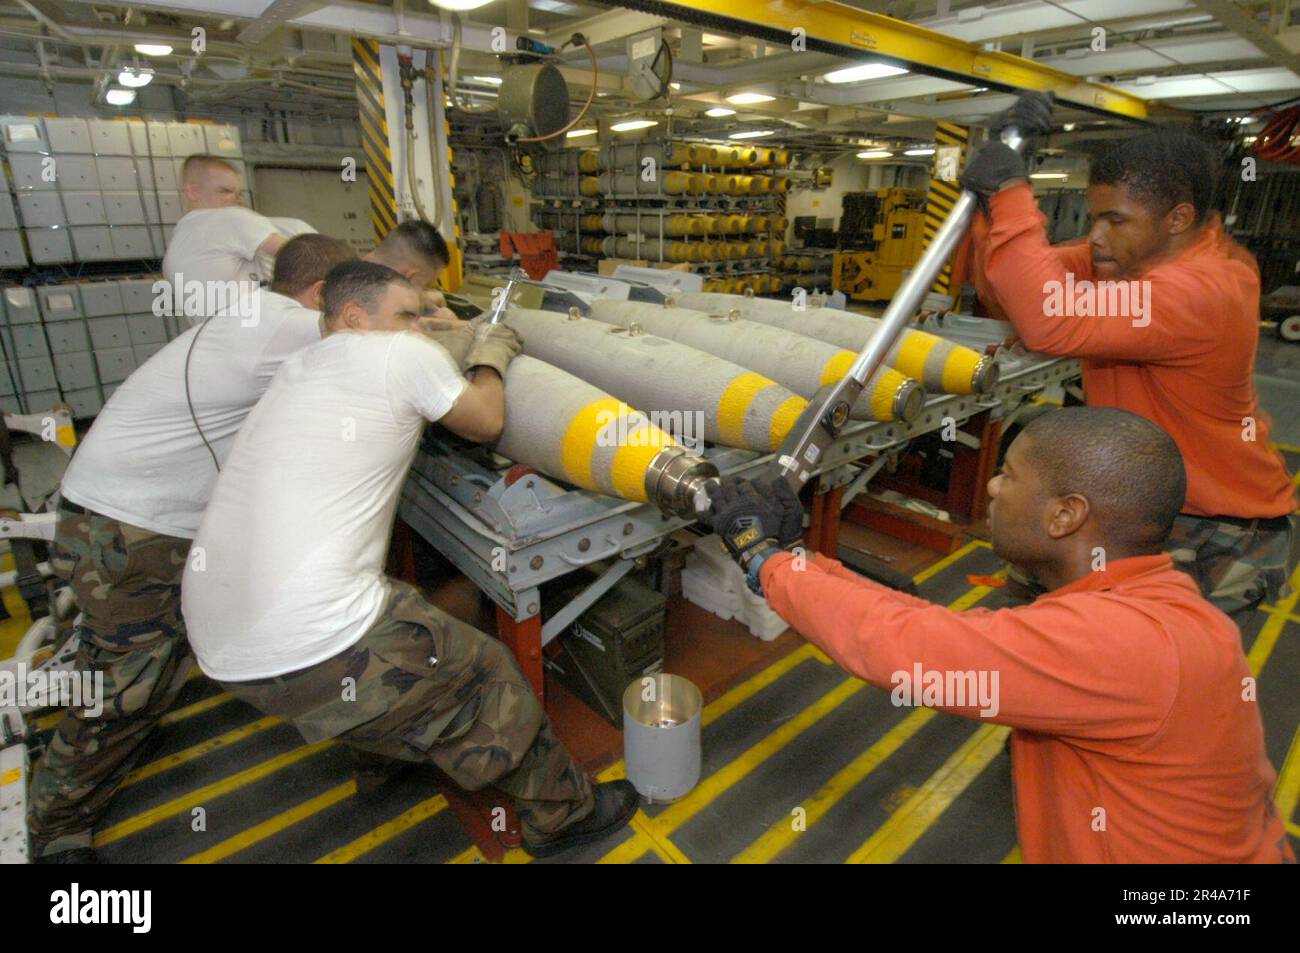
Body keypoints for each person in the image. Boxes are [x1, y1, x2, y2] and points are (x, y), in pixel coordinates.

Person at [180, 261, 638, 858]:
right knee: (489, 674)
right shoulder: (397, 354)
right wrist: (490, 353)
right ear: (353, 316)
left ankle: (387, 747)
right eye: (407, 315)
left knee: (409, 612)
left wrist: (442, 332)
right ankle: (562, 816)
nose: (418, 327)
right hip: (310, 640)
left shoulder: (300, 367)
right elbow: (486, 419)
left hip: (219, 642)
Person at [703, 407, 1293, 863]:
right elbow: (951, 633)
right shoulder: (1143, 604)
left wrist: (764, 560)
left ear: (1066, 515)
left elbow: (914, 650)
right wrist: (797, 560)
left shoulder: (1128, 643)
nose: (989, 488)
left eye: (1008, 475)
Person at [28, 234, 358, 863]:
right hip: (127, 531)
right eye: (351, 299)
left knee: (148, 663)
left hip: (120, 518)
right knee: (128, 686)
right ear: (321, 294)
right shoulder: (290, 327)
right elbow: (384, 353)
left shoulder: (253, 313)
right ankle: (56, 831)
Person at [960, 95, 1297, 618]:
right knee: (1051, 624)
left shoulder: (1207, 287)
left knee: (1123, 663)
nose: (1095, 236)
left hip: (1214, 525)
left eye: (1115, 220)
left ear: (1178, 218)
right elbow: (1008, 288)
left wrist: (1011, 194)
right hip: (1138, 499)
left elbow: (1050, 319)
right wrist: (987, 206)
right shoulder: (1126, 259)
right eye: (1095, 218)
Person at [162, 155, 288, 323]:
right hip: (260, 334)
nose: (236, 200)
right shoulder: (229, 218)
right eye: (225, 191)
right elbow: (302, 254)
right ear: (193, 191)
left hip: (218, 341)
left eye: (238, 193)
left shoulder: (176, 246)